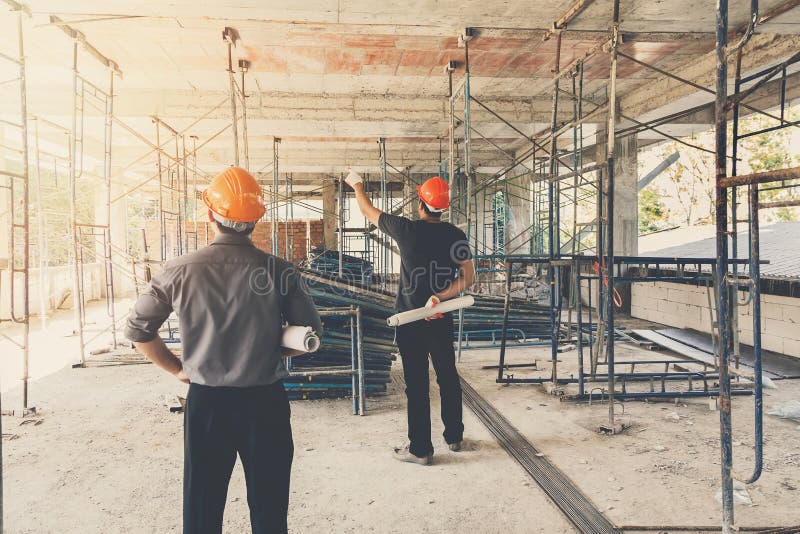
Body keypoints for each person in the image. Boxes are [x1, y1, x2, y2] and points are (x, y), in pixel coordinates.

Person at [125, 166, 322, 534]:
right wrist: (268, 351)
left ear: (211, 214)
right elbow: (310, 335)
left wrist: (177, 369)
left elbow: (138, 330)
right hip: (265, 403)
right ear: (257, 220)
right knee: (269, 504)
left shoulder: (179, 270)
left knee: (202, 505)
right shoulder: (280, 271)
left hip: (208, 405)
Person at [345, 169, 475, 466]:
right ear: (444, 208)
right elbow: (468, 278)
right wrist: (441, 298)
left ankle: (420, 450)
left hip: (410, 319)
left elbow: (366, 209)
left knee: (417, 384)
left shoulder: (406, 230)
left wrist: (356, 183)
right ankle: (454, 437)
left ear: (421, 203)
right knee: (448, 377)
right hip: (440, 316)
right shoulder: (456, 235)